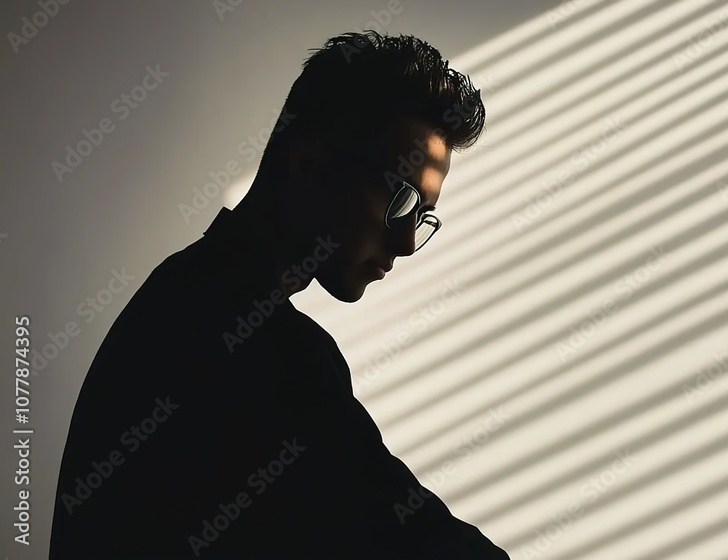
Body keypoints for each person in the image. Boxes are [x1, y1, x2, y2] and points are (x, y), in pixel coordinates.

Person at [49, 30, 509, 558]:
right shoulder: (259, 348)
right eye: (401, 198)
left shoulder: (182, 294)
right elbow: (409, 538)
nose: (406, 243)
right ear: (309, 163)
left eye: (422, 216)